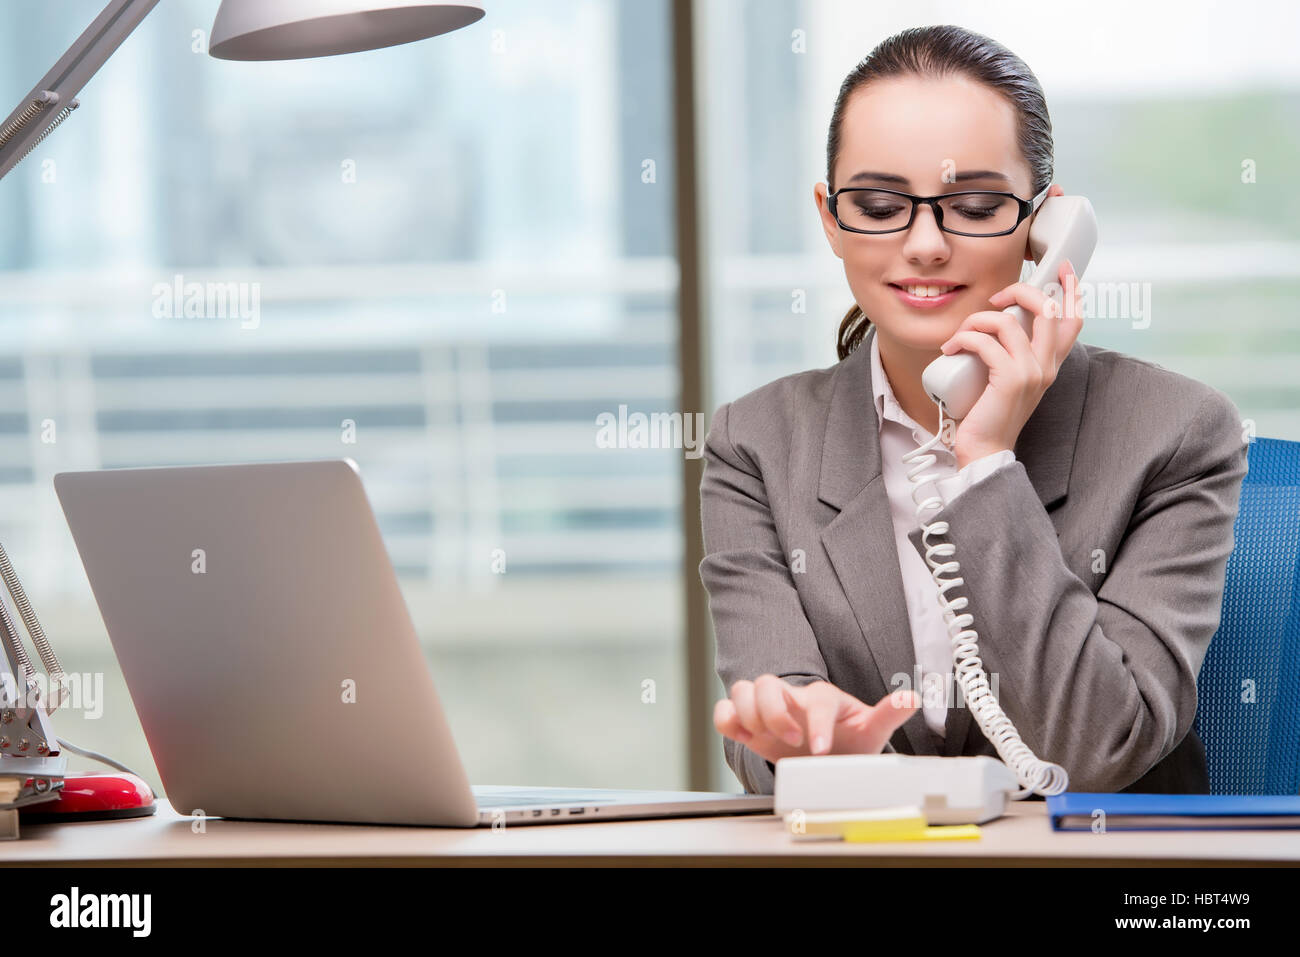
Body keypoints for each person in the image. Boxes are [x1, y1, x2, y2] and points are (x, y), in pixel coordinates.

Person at [700, 24, 1248, 796]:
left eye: (977, 203)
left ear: (1045, 228)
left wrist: (985, 464)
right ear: (830, 217)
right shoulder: (754, 444)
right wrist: (810, 744)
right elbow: (775, 729)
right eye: (880, 203)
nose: (924, 243)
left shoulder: (1177, 432)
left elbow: (1099, 748)